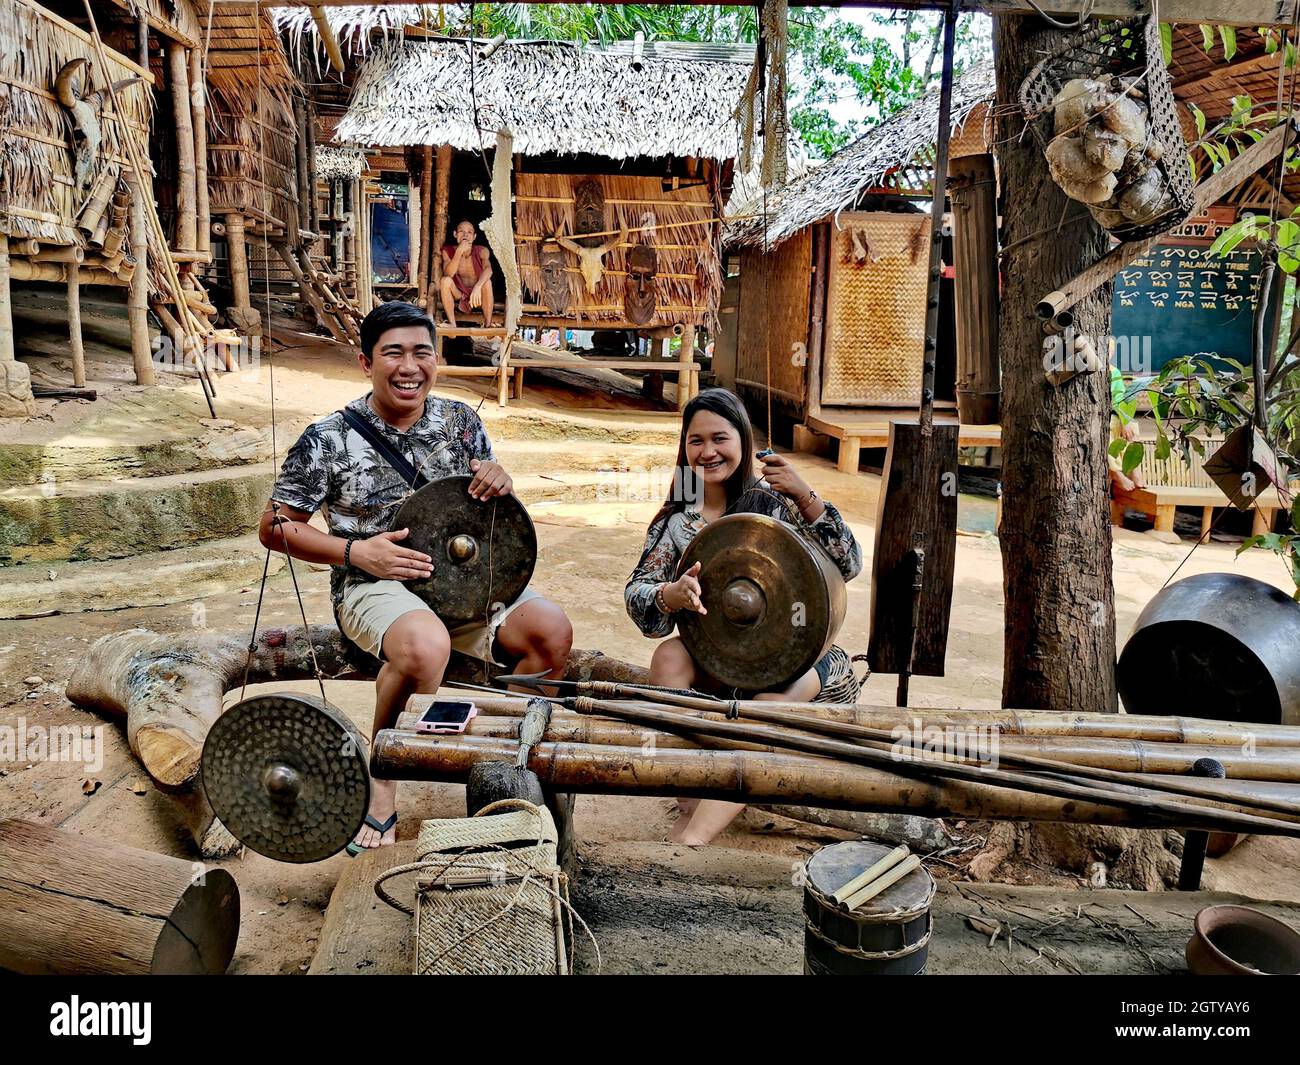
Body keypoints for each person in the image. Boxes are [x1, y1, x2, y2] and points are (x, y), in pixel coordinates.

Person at [259, 301, 572, 852]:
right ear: (365, 362)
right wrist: (357, 552)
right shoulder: (328, 438)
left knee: (551, 629)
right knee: (426, 646)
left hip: (467, 584)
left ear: (437, 358)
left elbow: (489, 514)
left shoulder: (461, 422)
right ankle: (385, 774)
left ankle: (506, 755)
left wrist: (502, 481)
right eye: (393, 353)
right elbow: (275, 529)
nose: (409, 366)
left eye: (421, 352)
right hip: (373, 585)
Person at [624, 388, 862, 846]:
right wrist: (670, 594)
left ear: (744, 441)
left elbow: (848, 564)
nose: (708, 452)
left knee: (765, 710)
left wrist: (807, 496)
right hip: (719, 662)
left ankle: (691, 839)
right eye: (696, 441)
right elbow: (640, 601)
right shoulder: (678, 517)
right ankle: (691, 799)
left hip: (799, 660)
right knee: (668, 656)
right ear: (684, 447)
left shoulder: (776, 500)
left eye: (720, 438)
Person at [440, 220, 494, 328]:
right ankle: (452, 324)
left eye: (469, 232)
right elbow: (448, 274)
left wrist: (478, 287)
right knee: (445, 281)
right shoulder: (447, 251)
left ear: (474, 237)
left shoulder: (482, 250)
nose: (465, 234)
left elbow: (489, 270)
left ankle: (488, 324)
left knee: (487, 282)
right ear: (455, 234)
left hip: (478, 295)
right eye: (461, 231)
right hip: (459, 294)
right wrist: (459, 252)